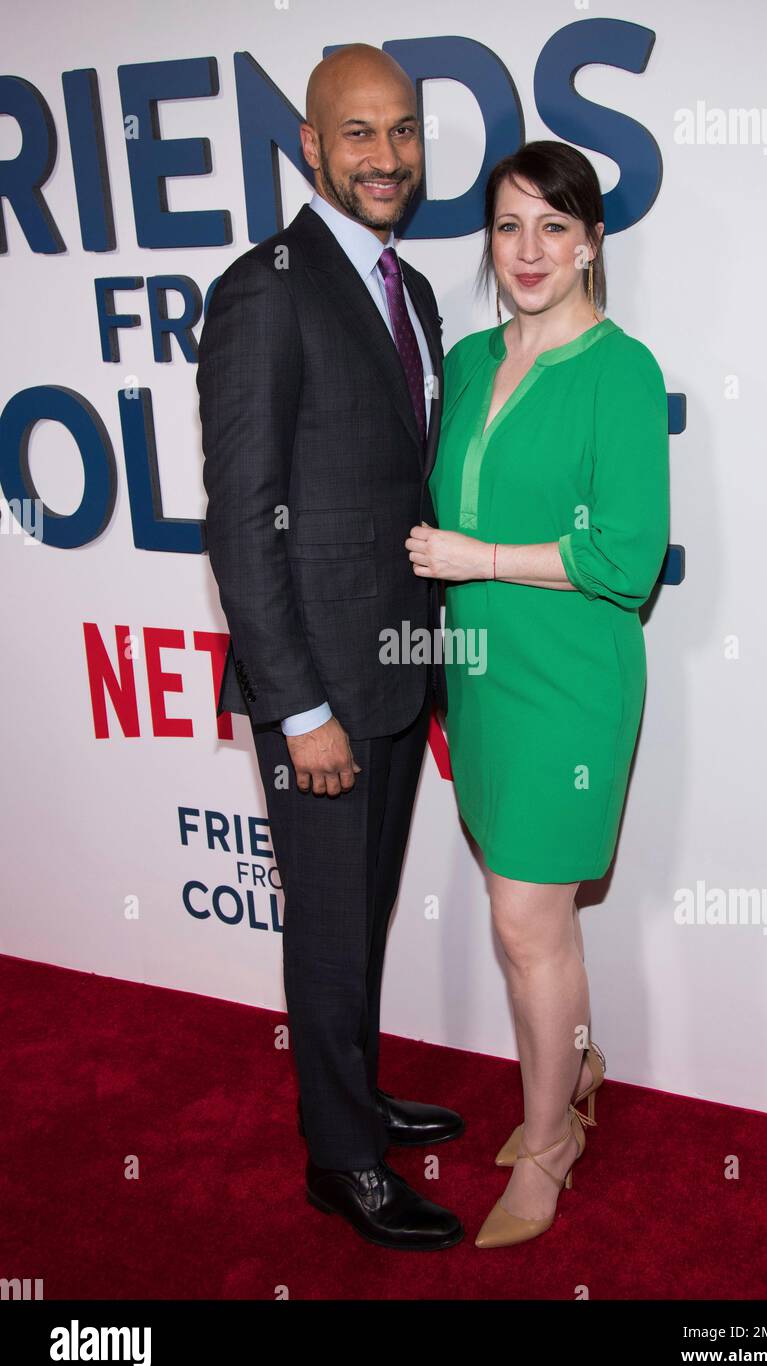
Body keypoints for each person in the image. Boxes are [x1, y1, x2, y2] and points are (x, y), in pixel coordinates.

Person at [197, 43, 464, 1252]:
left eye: (402, 132)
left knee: (356, 913)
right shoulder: (267, 287)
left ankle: (349, 1098)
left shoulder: (408, 292)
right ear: (310, 146)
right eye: (358, 134)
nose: (386, 157)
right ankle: (339, 1163)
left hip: (398, 670)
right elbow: (240, 517)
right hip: (319, 690)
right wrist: (297, 706)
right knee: (324, 925)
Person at [410, 140, 670, 1249]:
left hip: (566, 685)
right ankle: (579, 1064)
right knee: (535, 924)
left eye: (553, 227)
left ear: (591, 242)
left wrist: (483, 557)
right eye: (509, 225)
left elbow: (625, 554)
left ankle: (550, 1139)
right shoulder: (466, 360)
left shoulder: (621, 369)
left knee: (525, 922)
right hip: (477, 676)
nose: (528, 250)